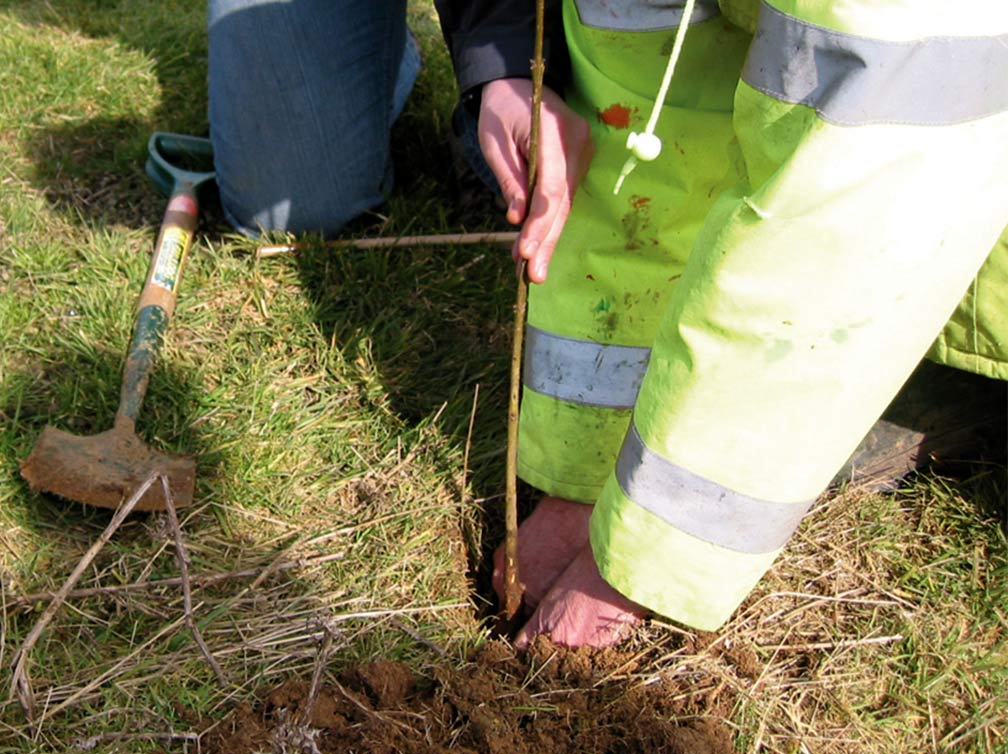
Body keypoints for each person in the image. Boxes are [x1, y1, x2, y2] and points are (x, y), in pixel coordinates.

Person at [208, 0, 1008, 648]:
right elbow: (654, 152)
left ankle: (955, 372)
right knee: (294, 187)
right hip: (881, 148)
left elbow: (854, 217)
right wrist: (587, 484)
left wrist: (642, 559)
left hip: (932, 177)